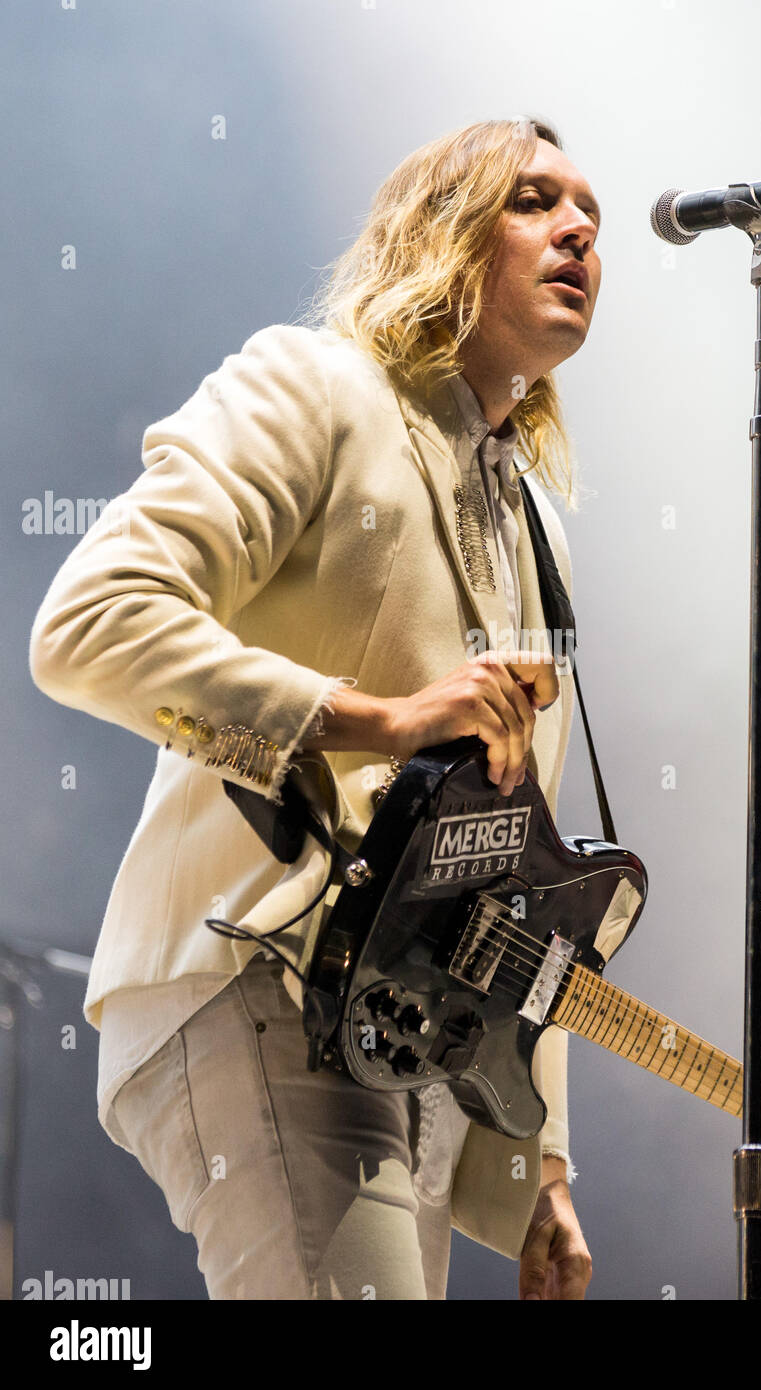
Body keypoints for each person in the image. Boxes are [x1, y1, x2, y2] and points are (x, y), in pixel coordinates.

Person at [28, 115, 602, 1300]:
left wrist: (539, 1162)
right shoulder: (314, 383)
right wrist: (376, 719)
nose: (580, 228)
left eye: (588, 211)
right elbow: (89, 623)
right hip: (254, 976)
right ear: (439, 232)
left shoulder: (531, 528)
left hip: (405, 1042)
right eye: (534, 199)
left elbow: (518, 872)